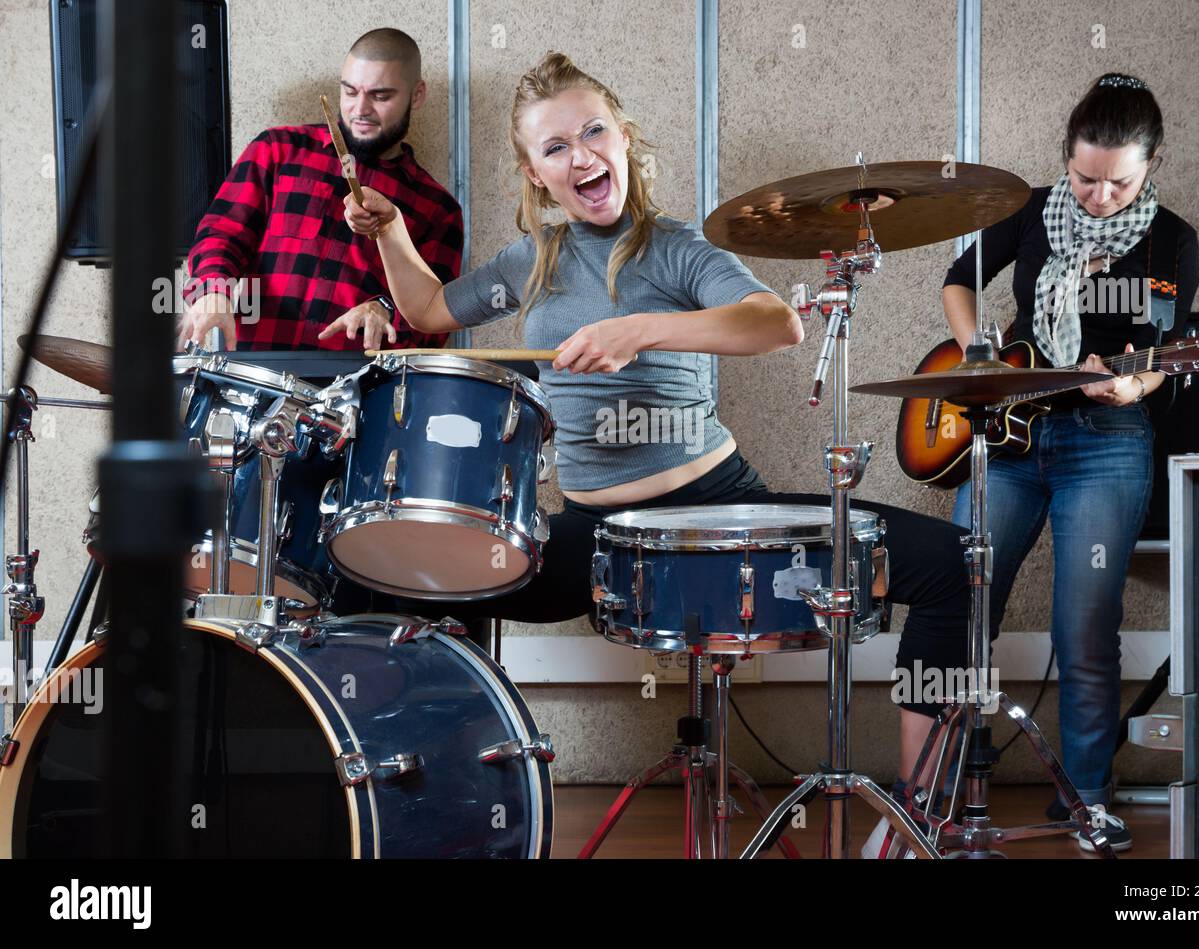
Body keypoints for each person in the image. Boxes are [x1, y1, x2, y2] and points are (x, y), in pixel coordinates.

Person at [342, 51, 971, 849]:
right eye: (556, 147)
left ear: (625, 139)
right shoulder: (528, 266)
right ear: (537, 175)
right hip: (598, 535)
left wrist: (640, 327)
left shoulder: (674, 248)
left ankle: (913, 814)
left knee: (952, 563)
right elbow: (430, 306)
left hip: (716, 507)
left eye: (594, 131)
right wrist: (393, 232)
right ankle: (436, 812)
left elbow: (773, 321)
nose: (582, 155)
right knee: (404, 578)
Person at [942, 73, 1199, 852]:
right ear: (1067, 160)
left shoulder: (1172, 242)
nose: (1097, 195)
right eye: (1085, 177)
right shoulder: (1031, 210)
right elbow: (959, 280)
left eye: (1118, 181)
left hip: (1105, 443)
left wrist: (1135, 382)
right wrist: (976, 351)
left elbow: (1165, 355)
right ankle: (946, 779)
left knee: (1084, 625)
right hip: (1011, 435)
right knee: (958, 603)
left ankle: (1087, 797)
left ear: (1151, 165)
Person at [179, 28, 463, 352]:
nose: (360, 109)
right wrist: (214, 291)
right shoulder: (279, 150)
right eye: (350, 92)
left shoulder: (438, 209)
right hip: (257, 377)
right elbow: (223, 233)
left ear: (417, 95)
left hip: (360, 392)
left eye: (380, 96)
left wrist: (384, 306)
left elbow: (437, 319)